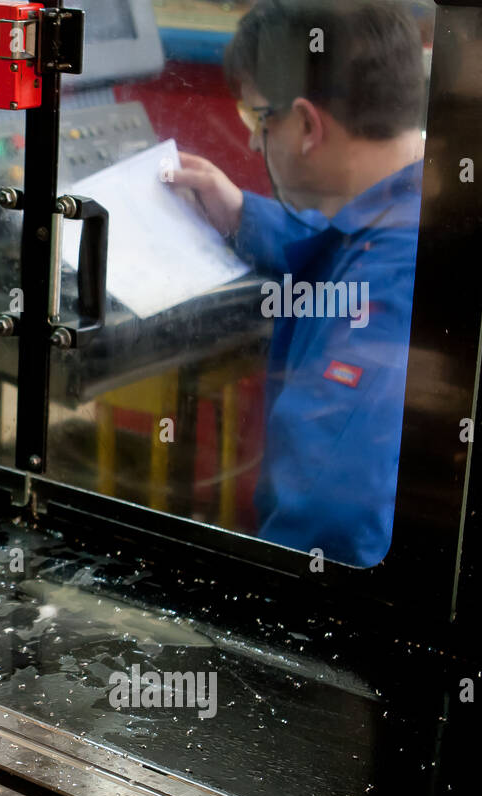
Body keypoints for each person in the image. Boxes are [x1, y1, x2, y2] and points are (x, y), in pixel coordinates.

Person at [170, 0, 426, 566]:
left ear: (308, 125)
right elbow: (336, 242)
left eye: (260, 119)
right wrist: (242, 215)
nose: (256, 144)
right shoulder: (411, 208)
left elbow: (328, 523)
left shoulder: (388, 291)